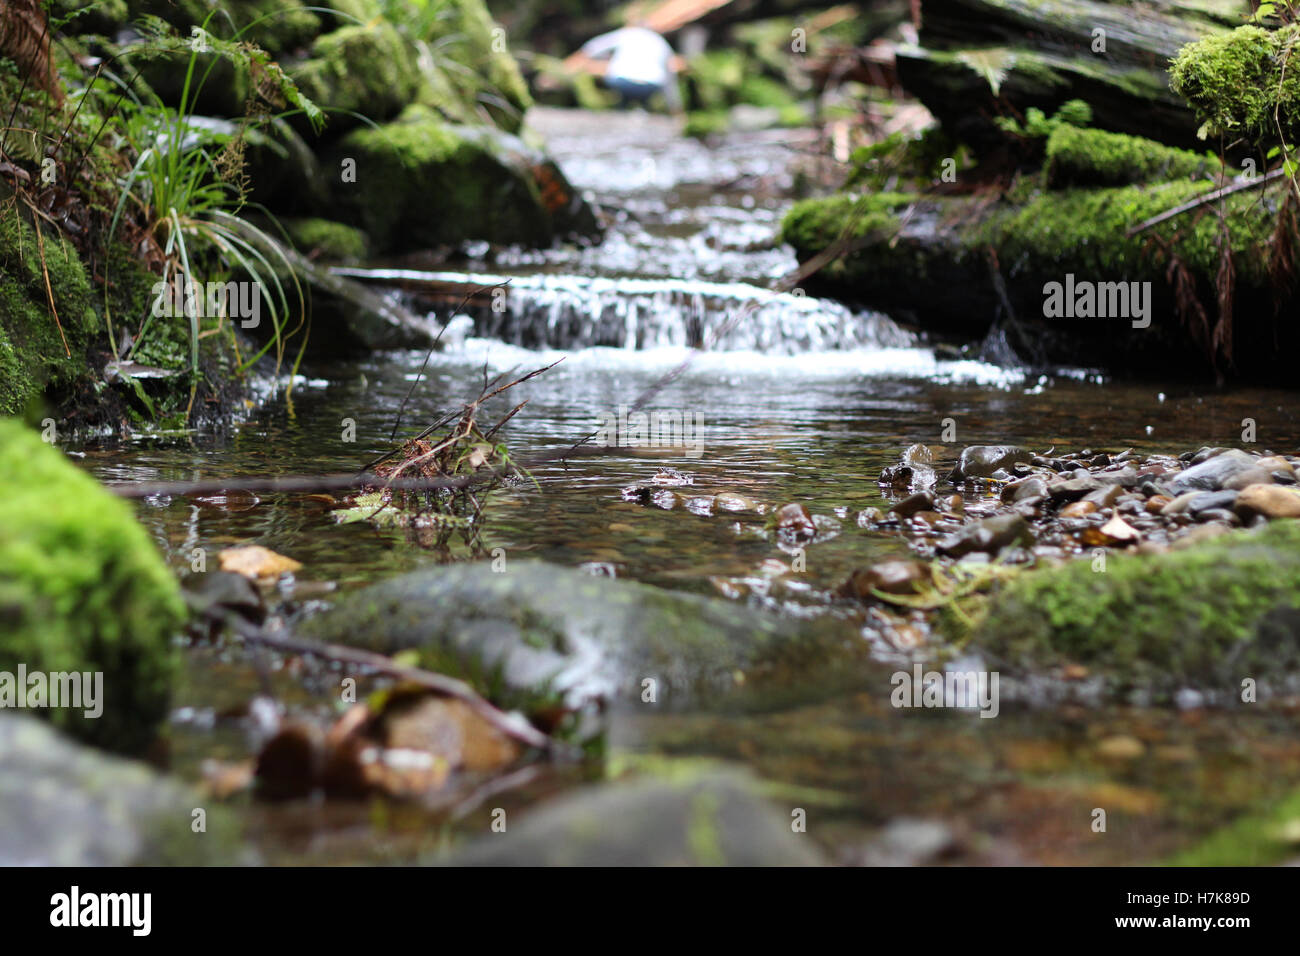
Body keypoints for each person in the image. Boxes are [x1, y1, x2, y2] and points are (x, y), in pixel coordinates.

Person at [573, 24, 683, 113]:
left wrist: (579, 59)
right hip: (652, 85)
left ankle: (623, 107)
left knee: (613, 74)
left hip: (622, 82)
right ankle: (643, 108)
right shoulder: (660, 41)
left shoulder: (627, 33)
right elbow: (671, 69)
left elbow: (594, 46)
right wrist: (675, 105)